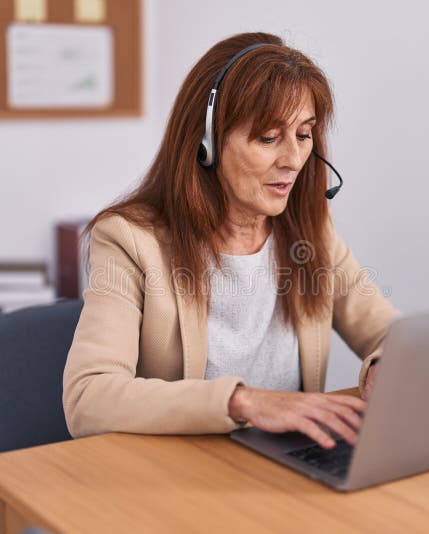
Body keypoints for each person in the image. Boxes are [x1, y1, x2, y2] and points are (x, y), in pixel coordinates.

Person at [63, 32, 398, 450]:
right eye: (268, 137)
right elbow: (87, 398)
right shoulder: (130, 239)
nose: (293, 160)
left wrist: (385, 364)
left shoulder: (309, 227)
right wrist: (242, 402)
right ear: (206, 142)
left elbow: (389, 335)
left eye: (304, 134)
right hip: (185, 473)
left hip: (289, 467)